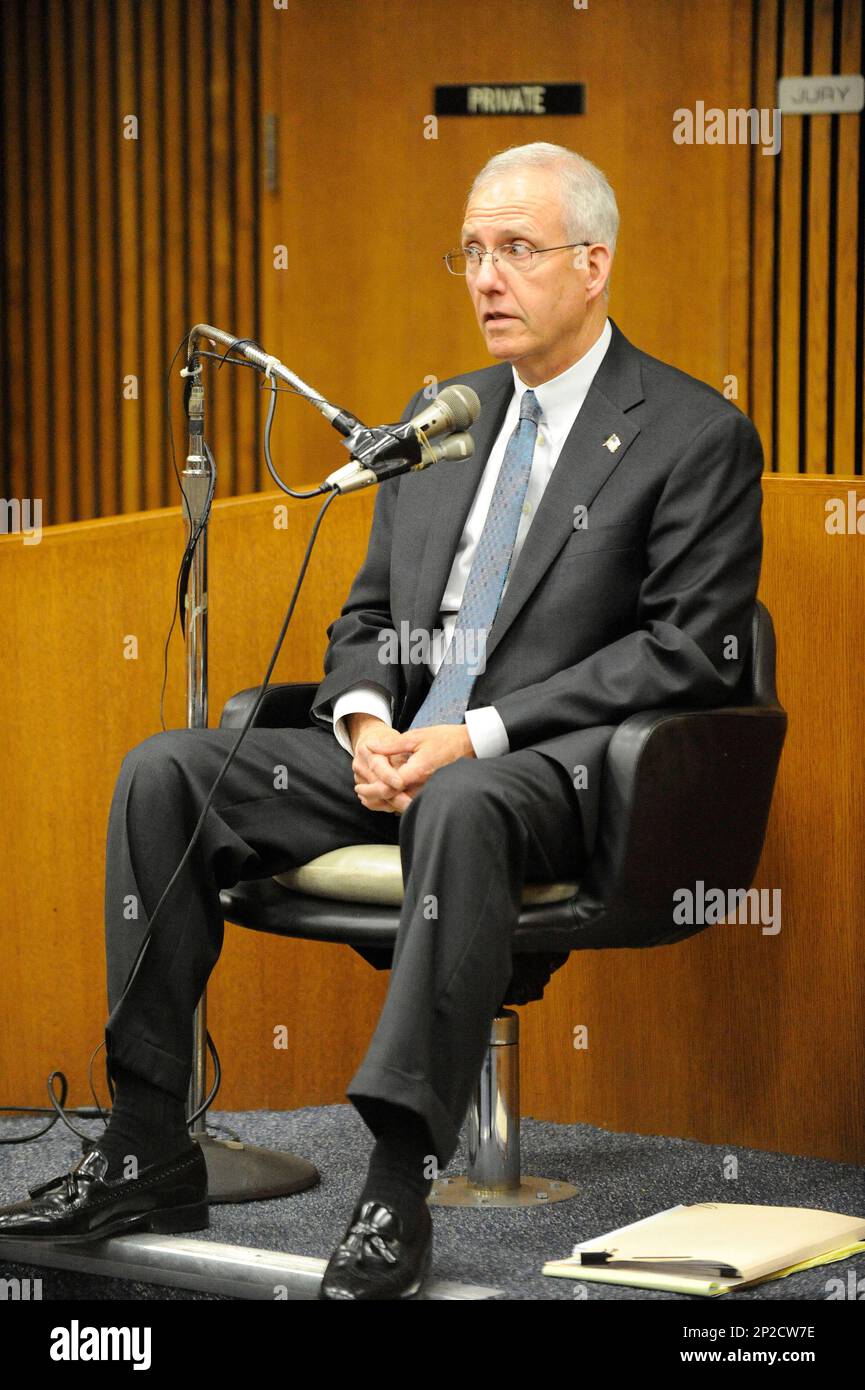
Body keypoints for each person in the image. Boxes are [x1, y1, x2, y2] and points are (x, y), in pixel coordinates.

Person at [0, 142, 763, 1301]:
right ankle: (147, 1142)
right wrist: (362, 721)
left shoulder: (690, 434)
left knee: (459, 792)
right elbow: (366, 617)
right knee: (168, 771)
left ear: (594, 263)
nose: (487, 277)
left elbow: (683, 653)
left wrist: (476, 733)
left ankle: (396, 1180)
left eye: (516, 250)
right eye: (471, 251)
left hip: (560, 773)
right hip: (410, 750)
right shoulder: (442, 416)